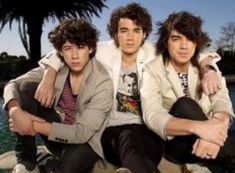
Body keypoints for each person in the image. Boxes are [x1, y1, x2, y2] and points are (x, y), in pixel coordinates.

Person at [36, 3, 223, 173]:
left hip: (149, 132)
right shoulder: (103, 50)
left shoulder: (154, 51)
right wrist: (49, 76)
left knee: (143, 137)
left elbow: (193, 49)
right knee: (127, 137)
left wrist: (208, 70)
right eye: (124, 30)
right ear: (116, 34)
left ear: (144, 33)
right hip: (111, 131)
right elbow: (66, 46)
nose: (130, 37)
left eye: (136, 30)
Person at [3, 19, 113, 173]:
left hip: (86, 142)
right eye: (68, 48)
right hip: (56, 135)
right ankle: (27, 161)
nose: (74, 55)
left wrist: (30, 125)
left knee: (67, 168)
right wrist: (15, 110)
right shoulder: (56, 69)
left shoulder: (102, 82)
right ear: (60, 52)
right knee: (26, 87)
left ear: (90, 48)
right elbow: (13, 84)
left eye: (80, 47)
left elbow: (82, 133)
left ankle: (42, 158)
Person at [140, 11, 235, 173]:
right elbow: (153, 115)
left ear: (197, 43)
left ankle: (209, 166)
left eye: (190, 39)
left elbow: (221, 99)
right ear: (166, 42)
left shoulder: (206, 68)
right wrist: (199, 128)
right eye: (176, 39)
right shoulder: (152, 70)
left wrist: (214, 129)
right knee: (185, 104)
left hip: (207, 140)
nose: (184, 46)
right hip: (177, 145)